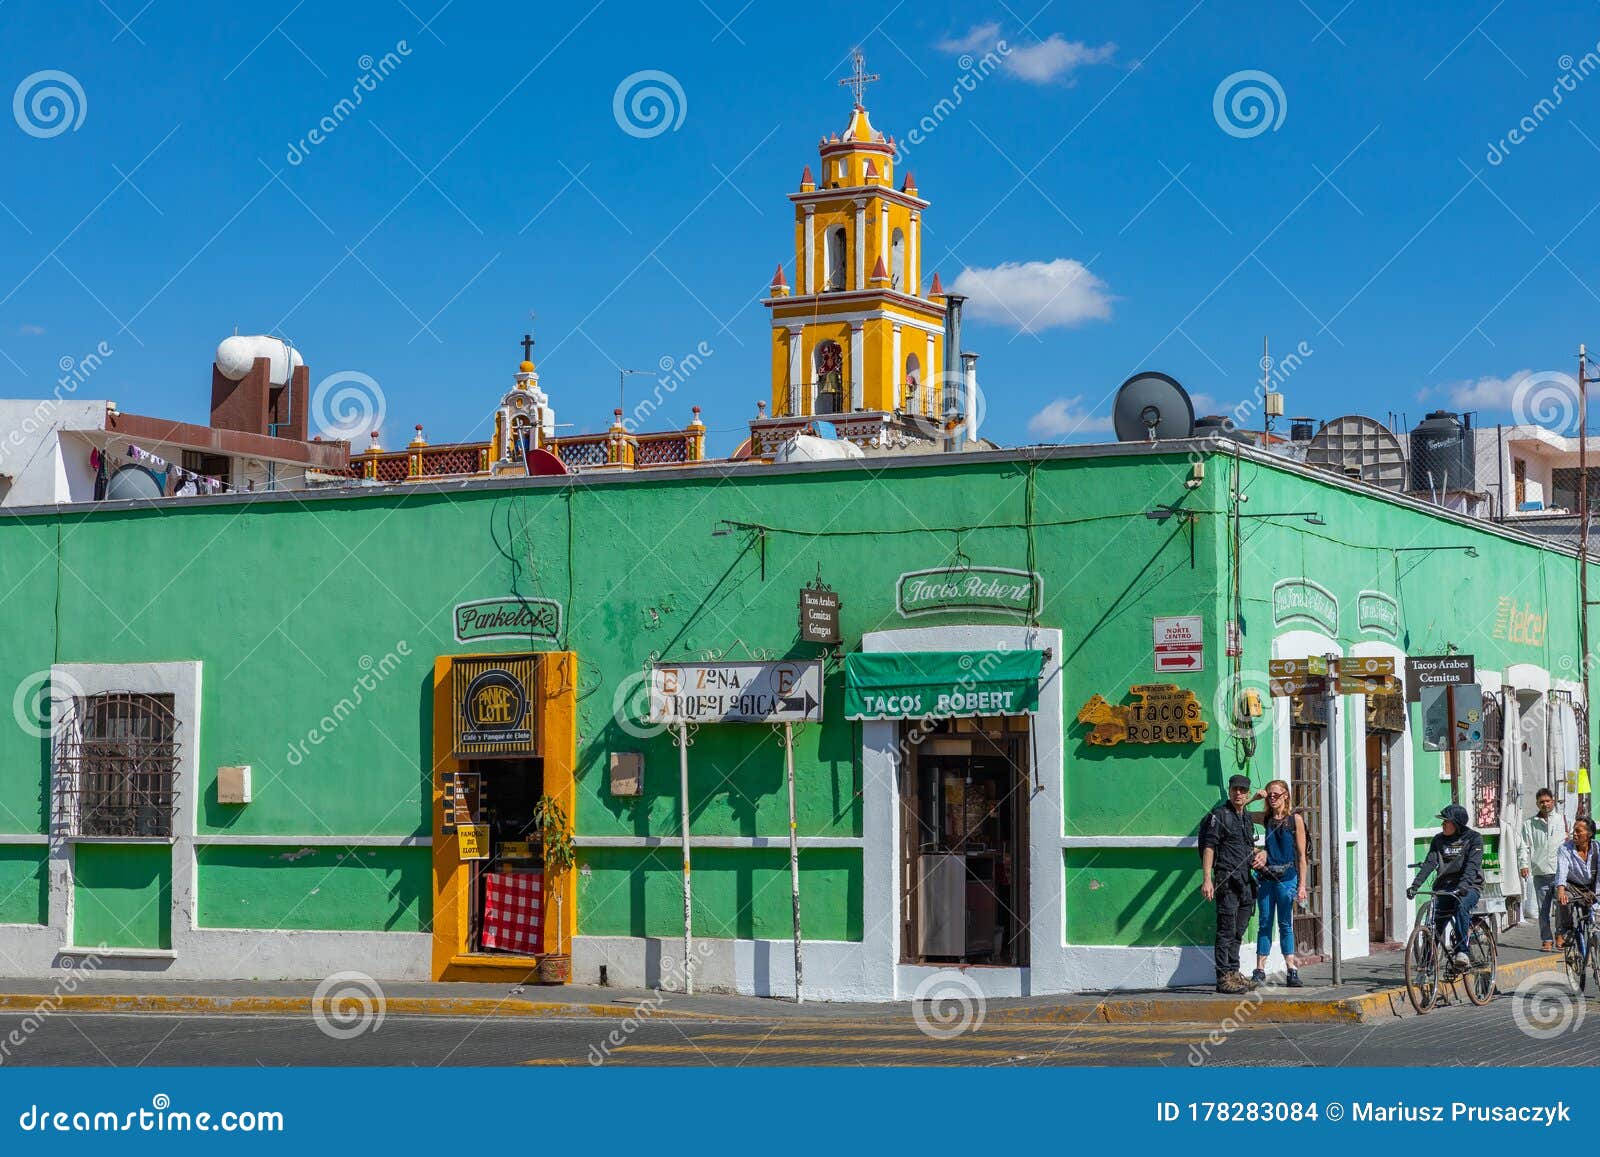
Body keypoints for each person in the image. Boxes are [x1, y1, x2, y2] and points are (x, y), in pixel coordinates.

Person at [1199, 774, 1267, 994]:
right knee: (1226, 930)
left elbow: (1246, 847)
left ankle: (1234, 972)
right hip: (1226, 879)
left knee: (1238, 930)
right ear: (1229, 790)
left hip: (1246, 881)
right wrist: (1207, 879)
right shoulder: (1220, 816)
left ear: (1247, 792)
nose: (1239, 793)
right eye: (1235, 789)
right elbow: (1209, 846)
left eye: (1242, 790)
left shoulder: (1244, 816)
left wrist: (1261, 854)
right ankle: (1223, 977)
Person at [1246, 780, 1309, 987]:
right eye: (1269, 795)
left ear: (1286, 796)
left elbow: (1301, 856)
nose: (1272, 798)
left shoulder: (1295, 820)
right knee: (1264, 922)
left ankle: (1291, 968)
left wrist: (1301, 886)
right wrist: (1255, 798)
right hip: (1266, 878)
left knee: (1285, 924)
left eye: (1275, 794)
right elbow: (1242, 813)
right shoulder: (1266, 818)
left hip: (1287, 878)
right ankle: (1260, 969)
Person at [1406, 804, 1484, 968]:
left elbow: (1472, 866)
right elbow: (1429, 863)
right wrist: (1415, 885)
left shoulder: (1474, 838)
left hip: (1469, 886)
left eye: (1446, 822)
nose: (1442, 825)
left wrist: (1463, 886)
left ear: (1456, 824)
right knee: (1435, 923)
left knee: (1461, 906)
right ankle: (1427, 964)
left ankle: (1463, 952)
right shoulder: (1438, 840)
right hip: (1445, 887)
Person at [1518, 788, 1567, 951]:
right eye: (1541, 802)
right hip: (1540, 872)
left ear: (1553, 801)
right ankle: (1546, 939)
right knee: (1543, 910)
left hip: (1560, 873)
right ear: (1537, 804)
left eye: (1547, 801)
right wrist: (1524, 864)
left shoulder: (1562, 820)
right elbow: (1523, 846)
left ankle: (1560, 934)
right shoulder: (1530, 824)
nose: (1545, 804)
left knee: (1561, 907)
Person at [1555, 816, 1600, 950]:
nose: (1574, 834)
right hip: (1572, 886)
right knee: (1564, 900)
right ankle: (1567, 930)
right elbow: (1561, 871)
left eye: (1578, 831)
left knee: (1595, 920)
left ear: (1589, 834)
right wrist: (1561, 891)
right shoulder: (1565, 849)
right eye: (1574, 830)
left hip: (1592, 887)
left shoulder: (1597, 849)